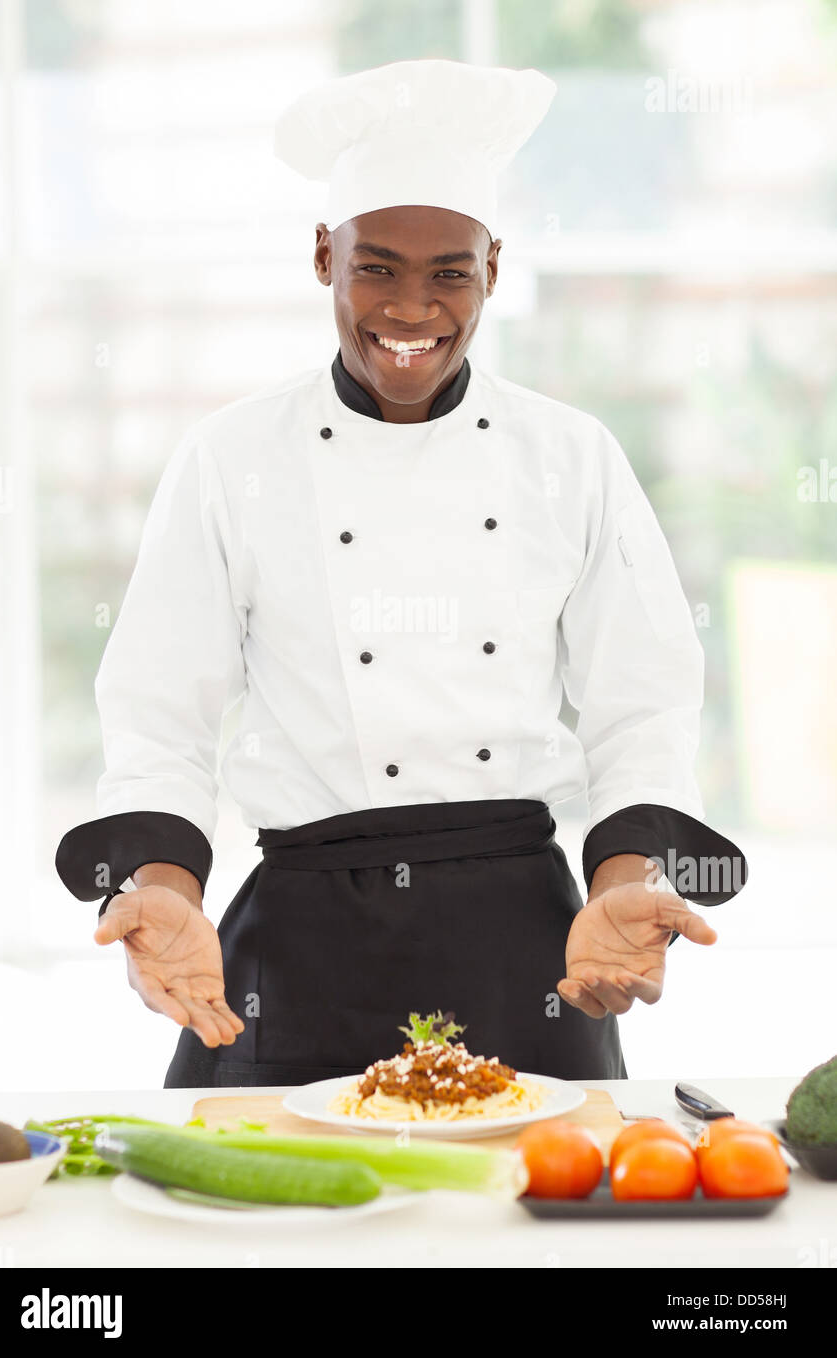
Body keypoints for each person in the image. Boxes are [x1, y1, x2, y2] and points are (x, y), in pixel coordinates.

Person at [55, 59, 747, 1088]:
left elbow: (639, 706)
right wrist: (164, 888)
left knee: (530, 1231)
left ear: (494, 269)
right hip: (296, 944)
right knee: (269, 1238)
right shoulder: (231, 457)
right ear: (323, 256)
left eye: (449, 272)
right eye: (374, 268)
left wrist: (624, 880)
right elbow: (162, 713)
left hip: (531, 946)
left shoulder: (571, 455)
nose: (411, 308)